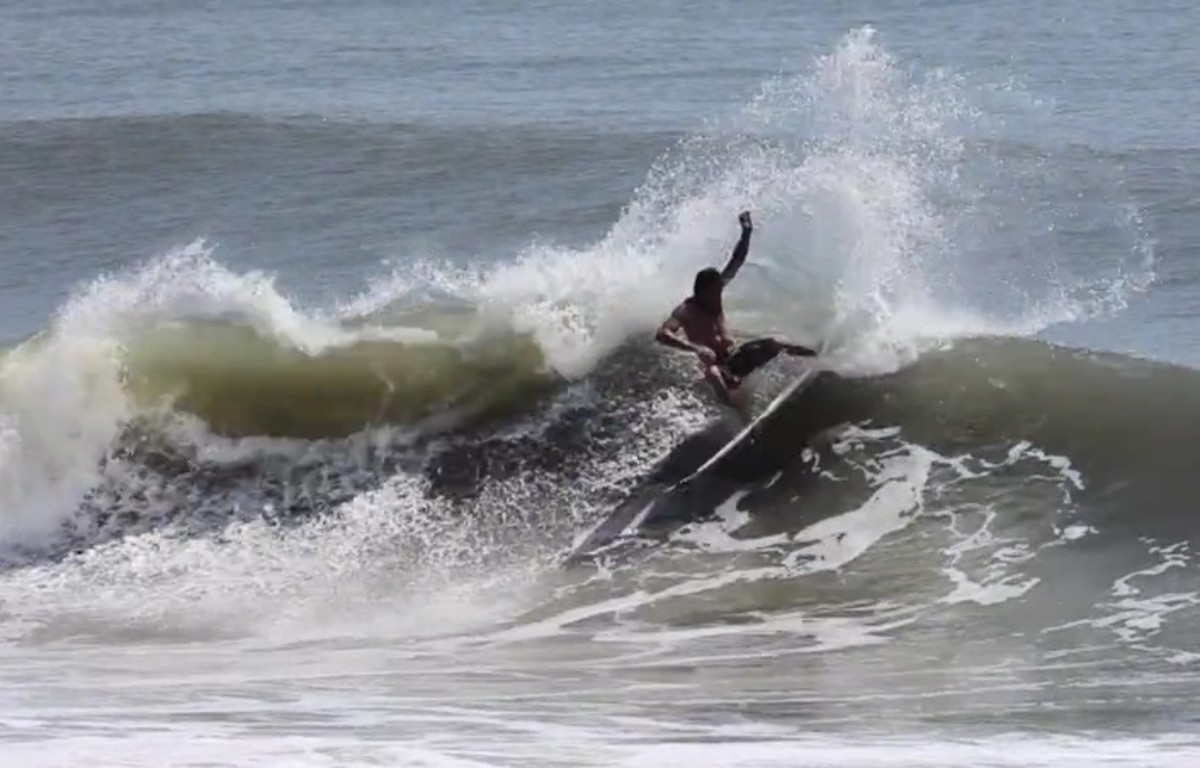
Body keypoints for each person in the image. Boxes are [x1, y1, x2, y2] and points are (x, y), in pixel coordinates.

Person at [654, 211, 817, 412]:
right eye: (714, 291)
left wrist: (746, 232)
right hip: (718, 367)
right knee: (713, 374)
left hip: (736, 356)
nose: (718, 294)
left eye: (719, 289)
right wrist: (696, 349)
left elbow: (736, 260)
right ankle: (734, 414)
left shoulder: (715, 292)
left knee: (776, 343)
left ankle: (817, 358)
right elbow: (662, 334)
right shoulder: (686, 310)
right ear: (702, 291)